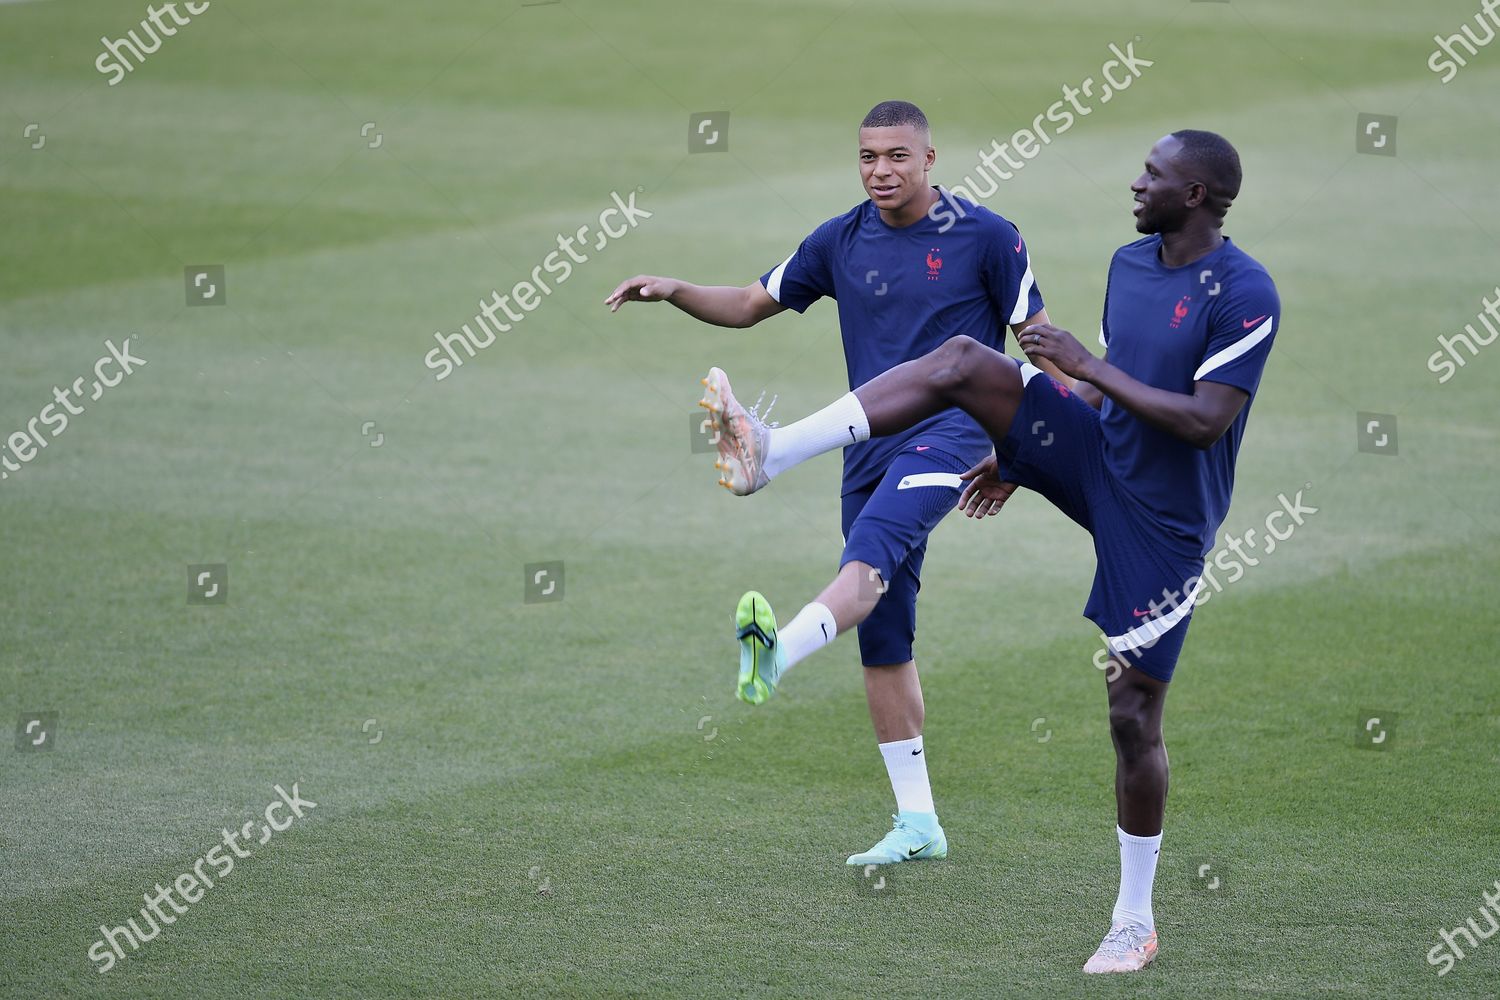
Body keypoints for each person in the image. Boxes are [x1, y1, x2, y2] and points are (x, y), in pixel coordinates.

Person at [700, 130, 1279, 974]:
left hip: (1165, 523)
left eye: (1152, 175)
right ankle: (773, 450)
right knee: (967, 362)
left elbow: (1202, 420)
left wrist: (1086, 365)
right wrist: (1021, 447)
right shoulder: (1131, 260)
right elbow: (1101, 380)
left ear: (1196, 195)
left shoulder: (1247, 290)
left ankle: (1133, 918)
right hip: (1098, 458)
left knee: (1132, 716)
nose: (1134, 182)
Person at [607, 100, 1058, 866]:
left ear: (930, 159)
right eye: (867, 157)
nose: (881, 171)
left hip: (952, 436)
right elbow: (752, 304)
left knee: (868, 560)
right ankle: (919, 824)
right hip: (866, 450)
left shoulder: (987, 235)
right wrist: (677, 288)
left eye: (896, 157)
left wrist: (1024, 454)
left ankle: (776, 649)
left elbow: (1040, 351)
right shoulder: (841, 239)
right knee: (883, 635)